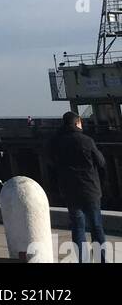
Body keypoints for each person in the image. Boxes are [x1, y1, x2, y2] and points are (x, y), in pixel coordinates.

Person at [48, 111, 107, 262]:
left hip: (70, 191)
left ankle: (82, 259)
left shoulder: (56, 143)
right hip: (91, 190)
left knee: (78, 228)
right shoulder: (86, 141)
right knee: (96, 227)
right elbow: (101, 162)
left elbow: (52, 166)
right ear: (77, 123)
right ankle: (102, 259)